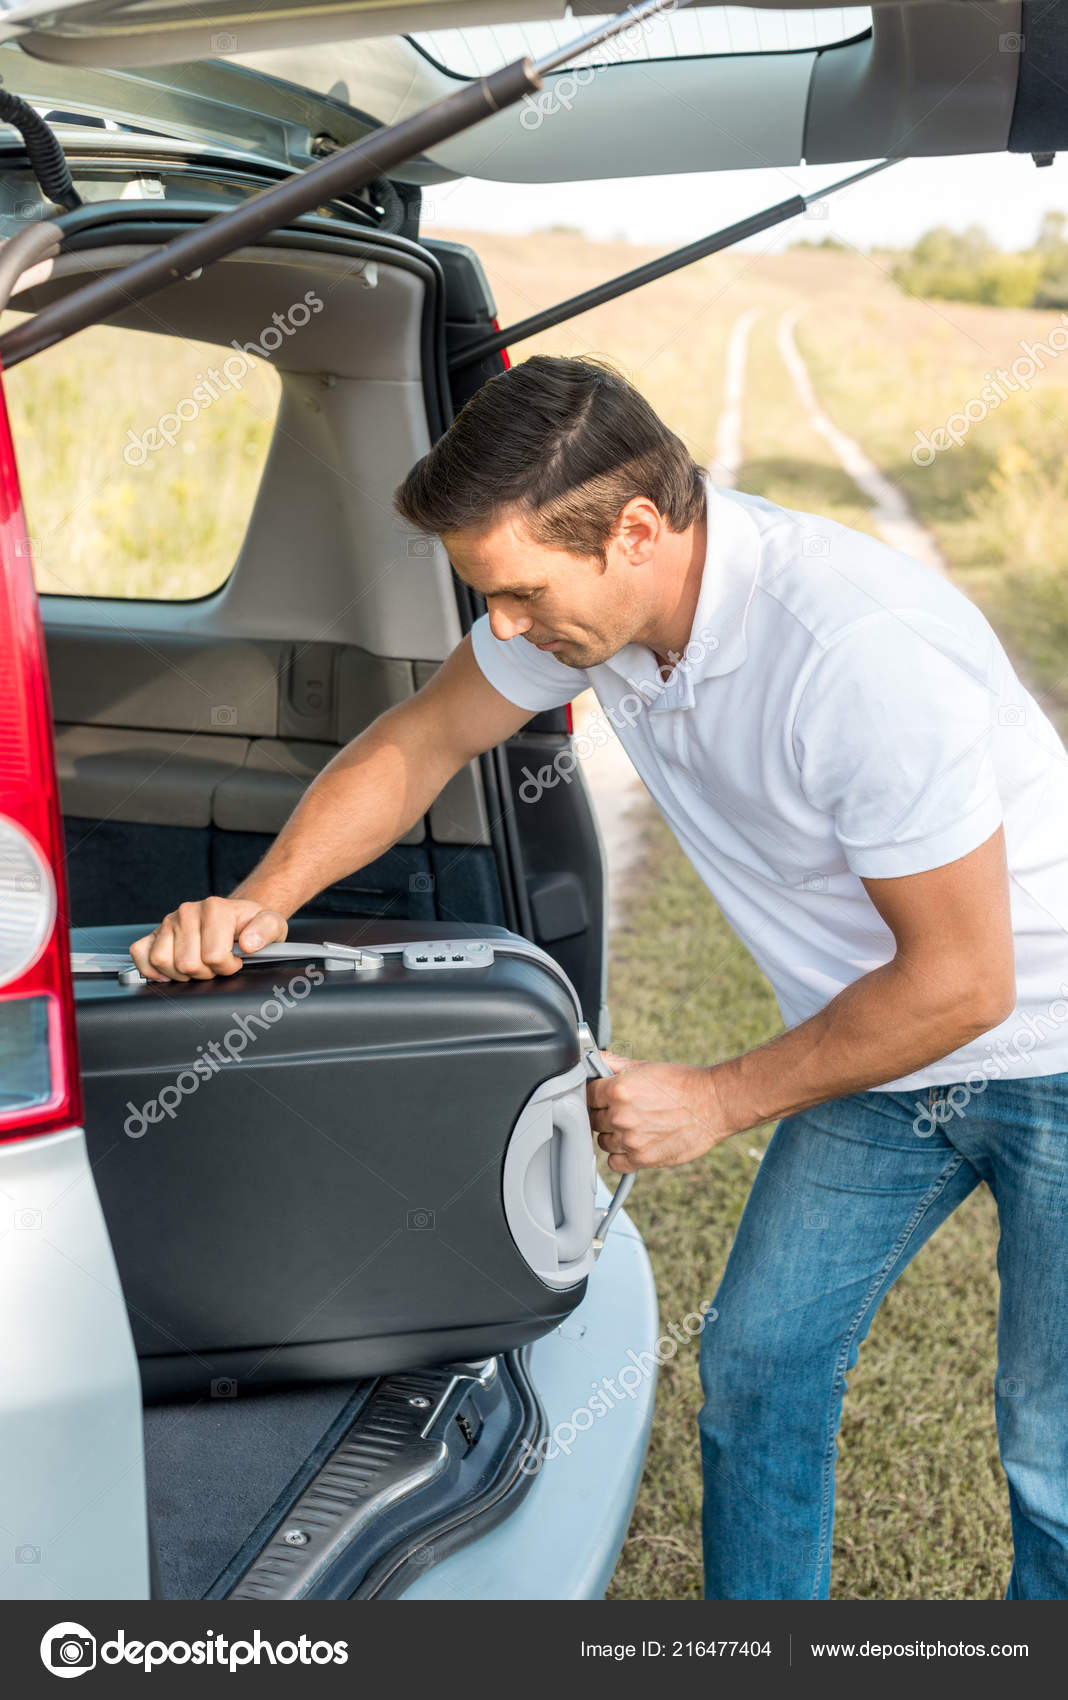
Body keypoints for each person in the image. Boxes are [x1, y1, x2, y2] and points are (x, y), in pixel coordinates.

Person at [130, 354, 1068, 1601]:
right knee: (759, 1363)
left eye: (518, 594)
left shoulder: (855, 653)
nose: (504, 629)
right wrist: (262, 901)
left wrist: (721, 1096)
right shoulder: (605, 604)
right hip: (877, 1041)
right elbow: (418, 740)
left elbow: (966, 983)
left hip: (1038, 1037)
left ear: (637, 531)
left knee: (1050, 1441)